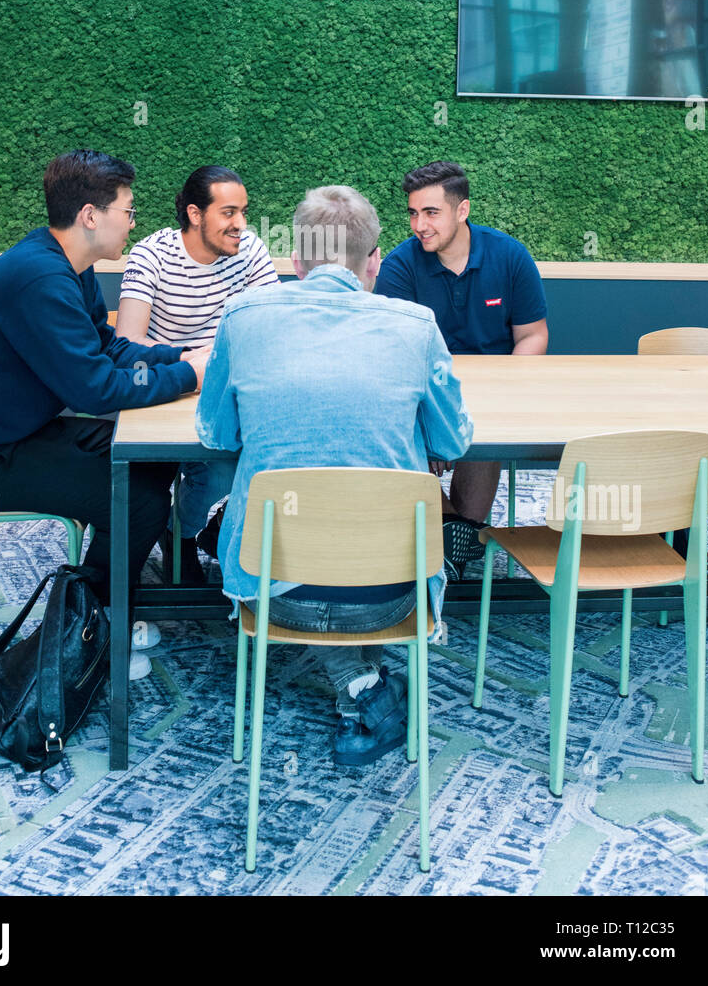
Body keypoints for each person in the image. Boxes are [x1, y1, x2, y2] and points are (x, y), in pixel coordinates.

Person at [196, 185, 472, 766]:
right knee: (373, 532)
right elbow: (453, 442)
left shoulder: (242, 317)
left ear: (295, 261)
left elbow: (217, 435)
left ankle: (362, 689)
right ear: (374, 262)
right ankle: (363, 686)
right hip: (389, 593)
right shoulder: (418, 326)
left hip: (272, 589)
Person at [0, 150, 210, 678]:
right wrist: (190, 377)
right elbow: (97, 388)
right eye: (127, 210)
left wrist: (182, 357)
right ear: (89, 215)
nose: (133, 221)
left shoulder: (67, 266)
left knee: (151, 463)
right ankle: (95, 628)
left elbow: (107, 345)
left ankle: (102, 603)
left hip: (21, 433)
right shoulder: (42, 280)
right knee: (138, 497)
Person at [374, 160, 547, 578]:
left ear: (462, 210)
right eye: (413, 213)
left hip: (490, 400)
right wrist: (430, 421)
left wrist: (504, 390)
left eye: (431, 212)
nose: (419, 224)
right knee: (399, 432)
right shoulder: (399, 267)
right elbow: (392, 360)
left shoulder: (508, 256)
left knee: (479, 438)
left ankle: (458, 538)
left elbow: (533, 336)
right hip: (423, 396)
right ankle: (452, 532)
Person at [115, 165, 278, 583]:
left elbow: (275, 323)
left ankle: (182, 534)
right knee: (150, 484)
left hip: (222, 393)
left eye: (242, 212)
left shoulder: (250, 250)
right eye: (228, 213)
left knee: (223, 467)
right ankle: (182, 538)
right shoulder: (152, 254)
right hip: (161, 391)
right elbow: (128, 341)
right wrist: (194, 359)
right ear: (194, 214)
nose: (240, 224)